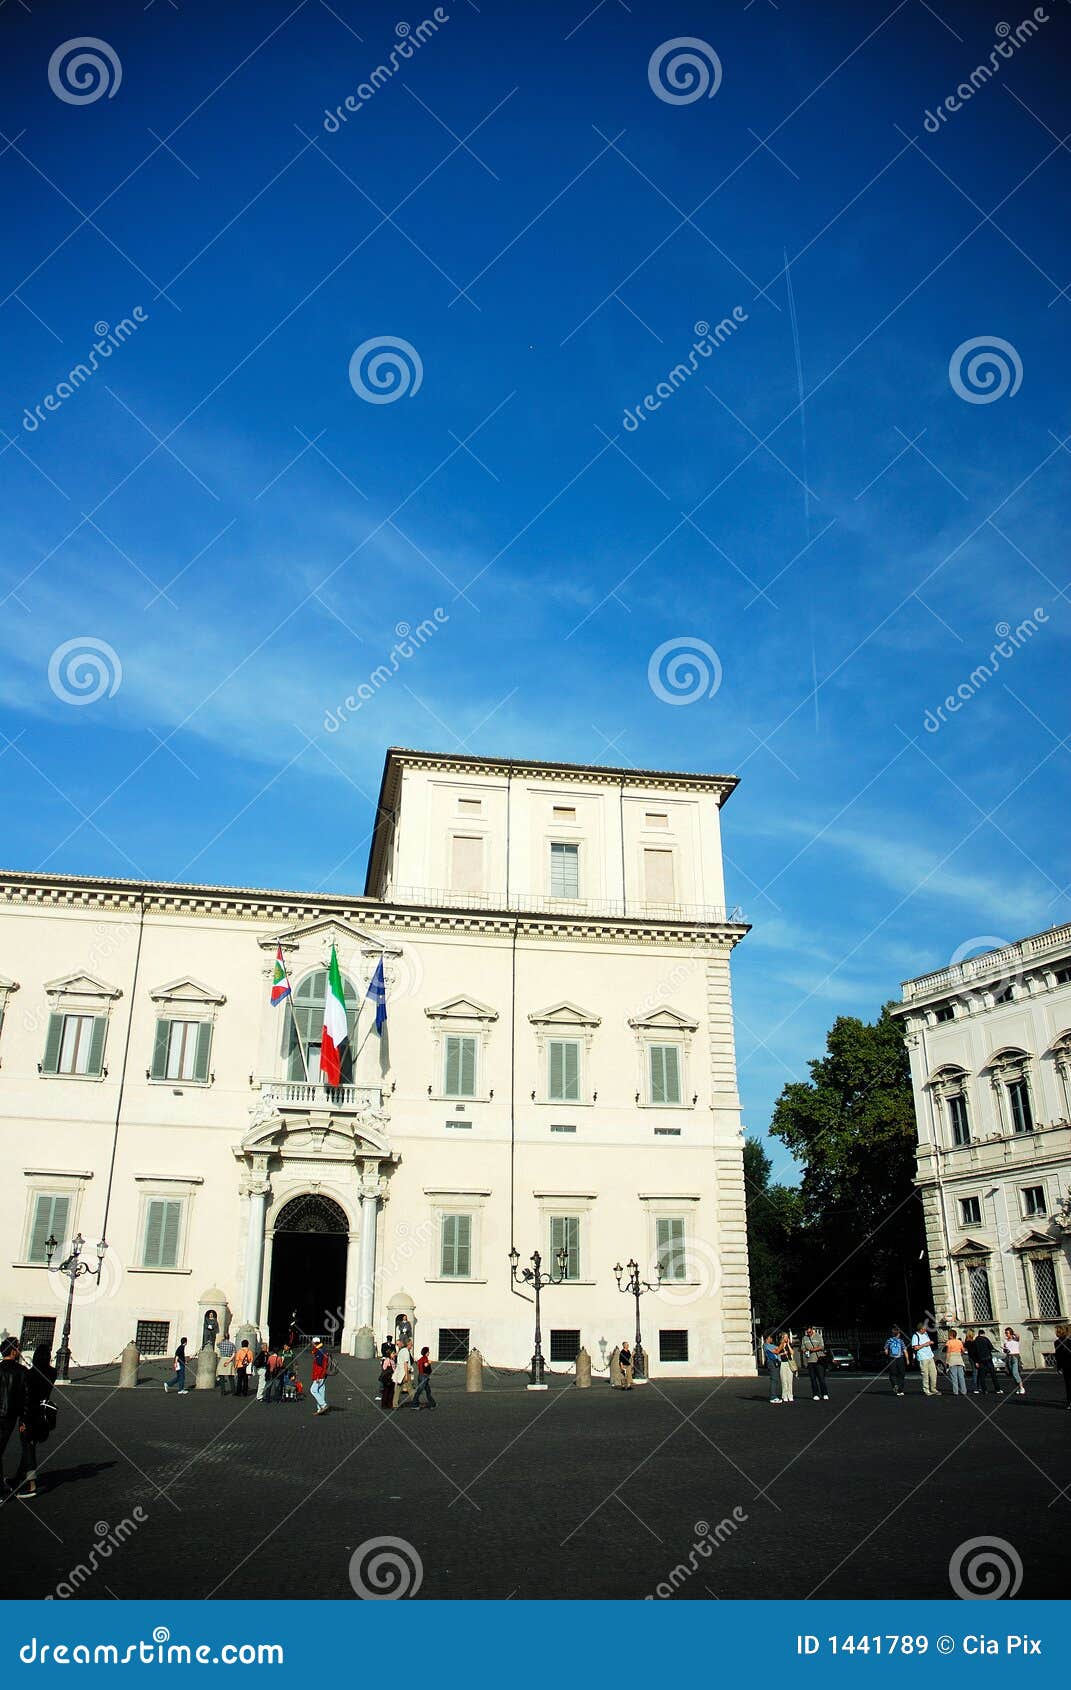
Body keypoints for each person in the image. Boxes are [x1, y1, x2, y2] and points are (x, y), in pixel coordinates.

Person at [13, 1341, 56, 1500]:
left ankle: (32, 1485)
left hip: (30, 1414)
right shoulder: (53, 1372)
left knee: (28, 1447)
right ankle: (16, 1479)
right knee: (29, 1446)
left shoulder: (30, 1374)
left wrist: (24, 1420)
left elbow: (28, 1398)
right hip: (43, 1414)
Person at [0, 1337, 28, 1494]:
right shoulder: (22, 1371)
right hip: (10, 1416)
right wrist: (23, 1419)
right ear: (13, 1351)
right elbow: (26, 1398)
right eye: (18, 1347)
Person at [801, 1327, 829, 1400]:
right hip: (810, 1361)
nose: (809, 1334)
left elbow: (822, 1347)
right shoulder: (804, 1338)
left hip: (818, 1360)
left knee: (821, 1378)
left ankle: (824, 1393)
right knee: (813, 1379)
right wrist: (805, 1350)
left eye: (810, 1332)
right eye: (807, 1332)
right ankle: (815, 1394)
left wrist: (813, 1349)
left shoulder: (818, 1336)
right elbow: (802, 1347)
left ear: (812, 1330)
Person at [911, 1322, 938, 1396]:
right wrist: (925, 1344)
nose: (925, 1330)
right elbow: (915, 1347)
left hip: (930, 1356)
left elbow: (928, 1342)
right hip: (922, 1357)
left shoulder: (926, 1334)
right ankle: (926, 1390)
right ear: (920, 1329)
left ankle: (933, 1389)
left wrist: (930, 1342)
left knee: (934, 1373)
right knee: (925, 1374)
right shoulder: (915, 1336)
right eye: (924, 1329)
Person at [972, 1328, 1001, 1396]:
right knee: (993, 1375)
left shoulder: (975, 1341)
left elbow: (974, 1353)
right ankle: (997, 1389)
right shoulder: (986, 1339)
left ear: (978, 1334)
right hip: (988, 1359)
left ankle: (984, 1390)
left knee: (982, 1376)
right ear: (983, 1334)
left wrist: (976, 1361)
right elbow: (991, 1347)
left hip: (980, 1360)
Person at [943, 1328, 968, 1396]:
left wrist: (946, 1362)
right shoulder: (959, 1342)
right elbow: (963, 1351)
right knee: (961, 1377)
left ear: (951, 1335)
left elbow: (948, 1352)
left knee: (954, 1377)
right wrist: (960, 1354)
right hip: (959, 1359)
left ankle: (956, 1392)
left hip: (952, 1360)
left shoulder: (949, 1342)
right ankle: (964, 1391)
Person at [884, 1327, 908, 1396]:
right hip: (900, 1359)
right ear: (898, 1334)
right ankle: (900, 1390)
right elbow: (905, 1351)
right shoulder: (901, 1341)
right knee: (901, 1374)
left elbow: (886, 1351)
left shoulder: (889, 1340)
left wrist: (887, 1353)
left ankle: (895, 1384)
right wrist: (907, 1360)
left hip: (892, 1359)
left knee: (892, 1374)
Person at [309, 1338, 329, 1416]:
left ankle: (323, 1405)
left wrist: (317, 1377)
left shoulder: (318, 1352)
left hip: (319, 1375)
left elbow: (319, 1366)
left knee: (313, 1390)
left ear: (314, 1343)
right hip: (323, 1374)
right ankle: (320, 1409)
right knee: (320, 1390)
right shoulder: (324, 1350)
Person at [1002, 1328, 1025, 1396]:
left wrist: (1013, 1334)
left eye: (1007, 1333)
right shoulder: (1005, 1340)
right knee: (1012, 1373)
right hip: (1009, 1357)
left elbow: (1018, 1336)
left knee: (1015, 1373)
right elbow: (1005, 1350)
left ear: (1011, 1333)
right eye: (1005, 1333)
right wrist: (1005, 1350)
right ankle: (1018, 1388)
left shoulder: (1015, 1339)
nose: (1006, 1334)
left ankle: (1022, 1387)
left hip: (1015, 1356)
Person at [1054, 1325, 1071, 1408]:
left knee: (1068, 1384)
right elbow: (1058, 1356)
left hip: (1066, 1365)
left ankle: (1070, 1402)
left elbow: (1058, 1356)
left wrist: (1059, 1367)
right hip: (1066, 1364)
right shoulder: (1068, 1341)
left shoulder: (1057, 1342)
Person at [393, 1338, 413, 1408]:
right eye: (411, 1344)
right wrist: (407, 1375)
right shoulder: (406, 1352)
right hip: (405, 1372)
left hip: (400, 1372)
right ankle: (415, 1403)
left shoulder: (401, 1351)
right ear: (408, 1344)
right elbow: (405, 1364)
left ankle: (395, 1404)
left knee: (398, 1389)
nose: (412, 1345)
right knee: (410, 1388)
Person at [776, 1331, 795, 1403]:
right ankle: (784, 1395)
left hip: (789, 1363)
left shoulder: (789, 1344)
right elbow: (777, 1353)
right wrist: (783, 1353)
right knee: (784, 1380)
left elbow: (792, 1353)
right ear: (782, 1337)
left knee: (790, 1380)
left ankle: (790, 1395)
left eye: (787, 1337)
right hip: (783, 1363)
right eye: (786, 1337)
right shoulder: (779, 1345)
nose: (787, 1338)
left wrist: (788, 1345)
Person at [762, 1334, 782, 1403]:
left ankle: (774, 1396)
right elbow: (777, 1351)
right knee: (774, 1379)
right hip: (772, 1362)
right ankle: (773, 1397)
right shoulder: (766, 1345)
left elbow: (779, 1349)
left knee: (775, 1379)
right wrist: (782, 1342)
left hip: (775, 1362)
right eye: (770, 1338)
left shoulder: (771, 1345)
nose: (772, 1339)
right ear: (767, 1339)